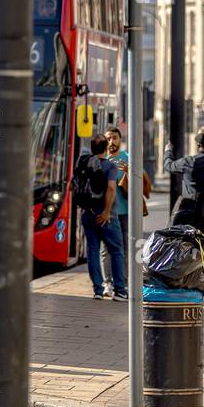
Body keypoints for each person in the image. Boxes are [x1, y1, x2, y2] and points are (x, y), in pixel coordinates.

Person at [76, 136, 127, 302]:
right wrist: (105, 211)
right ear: (106, 148)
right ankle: (120, 291)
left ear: (91, 148)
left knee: (92, 251)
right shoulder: (109, 165)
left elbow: (72, 186)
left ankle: (98, 290)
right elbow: (112, 187)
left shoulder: (83, 163)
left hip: (87, 214)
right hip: (107, 216)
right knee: (116, 251)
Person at [104, 126, 131, 282]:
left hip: (125, 212)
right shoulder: (102, 160)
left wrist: (129, 172)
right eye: (108, 138)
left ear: (120, 139)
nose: (111, 142)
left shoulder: (128, 157)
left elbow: (143, 187)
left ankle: (124, 280)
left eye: (114, 138)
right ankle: (107, 282)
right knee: (106, 250)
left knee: (125, 249)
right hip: (107, 213)